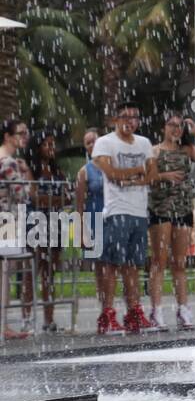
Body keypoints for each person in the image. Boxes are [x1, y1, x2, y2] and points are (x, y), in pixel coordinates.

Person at [92, 101, 162, 336]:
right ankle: (107, 314)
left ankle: (133, 312)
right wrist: (137, 171)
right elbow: (111, 174)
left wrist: (132, 176)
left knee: (133, 265)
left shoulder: (144, 143)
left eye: (135, 117)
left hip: (139, 211)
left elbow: (153, 174)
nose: (130, 121)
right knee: (112, 265)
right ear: (115, 120)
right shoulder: (105, 142)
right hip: (117, 210)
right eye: (125, 117)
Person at [146, 112, 195, 332]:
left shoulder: (186, 150)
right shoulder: (155, 151)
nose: (175, 130)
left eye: (179, 126)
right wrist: (166, 177)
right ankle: (157, 309)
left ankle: (183, 307)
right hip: (161, 210)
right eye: (171, 125)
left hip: (183, 210)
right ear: (164, 128)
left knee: (180, 263)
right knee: (159, 261)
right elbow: (149, 178)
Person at [27, 130, 69, 333]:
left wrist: (52, 200)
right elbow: (35, 198)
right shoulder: (31, 169)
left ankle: (48, 318)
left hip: (55, 221)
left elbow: (68, 196)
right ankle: (26, 318)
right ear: (37, 148)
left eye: (53, 144)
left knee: (50, 272)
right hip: (36, 221)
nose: (51, 148)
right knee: (32, 270)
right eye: (47, 144)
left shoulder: (56, 171)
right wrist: (56, 199)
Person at [74, 128, 113, 329]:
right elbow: (79, 206)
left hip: (113, 218)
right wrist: (81, 230)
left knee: (113, 267)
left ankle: (112, 308)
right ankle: (104, 309)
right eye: (87, 143)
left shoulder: (114, 165)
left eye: (94, 141)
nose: (91, 145)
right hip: (94, 220)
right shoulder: (84, 172)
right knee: (100, 269)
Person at [0, 119, 35, 337]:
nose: (25, 136)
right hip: (7, 220)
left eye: (26, 132)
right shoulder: (9, 162)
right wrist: (24, 173)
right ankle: (3, 325)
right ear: (7, 136)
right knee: (5, 274)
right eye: (20, 133)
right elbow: (23, 194)